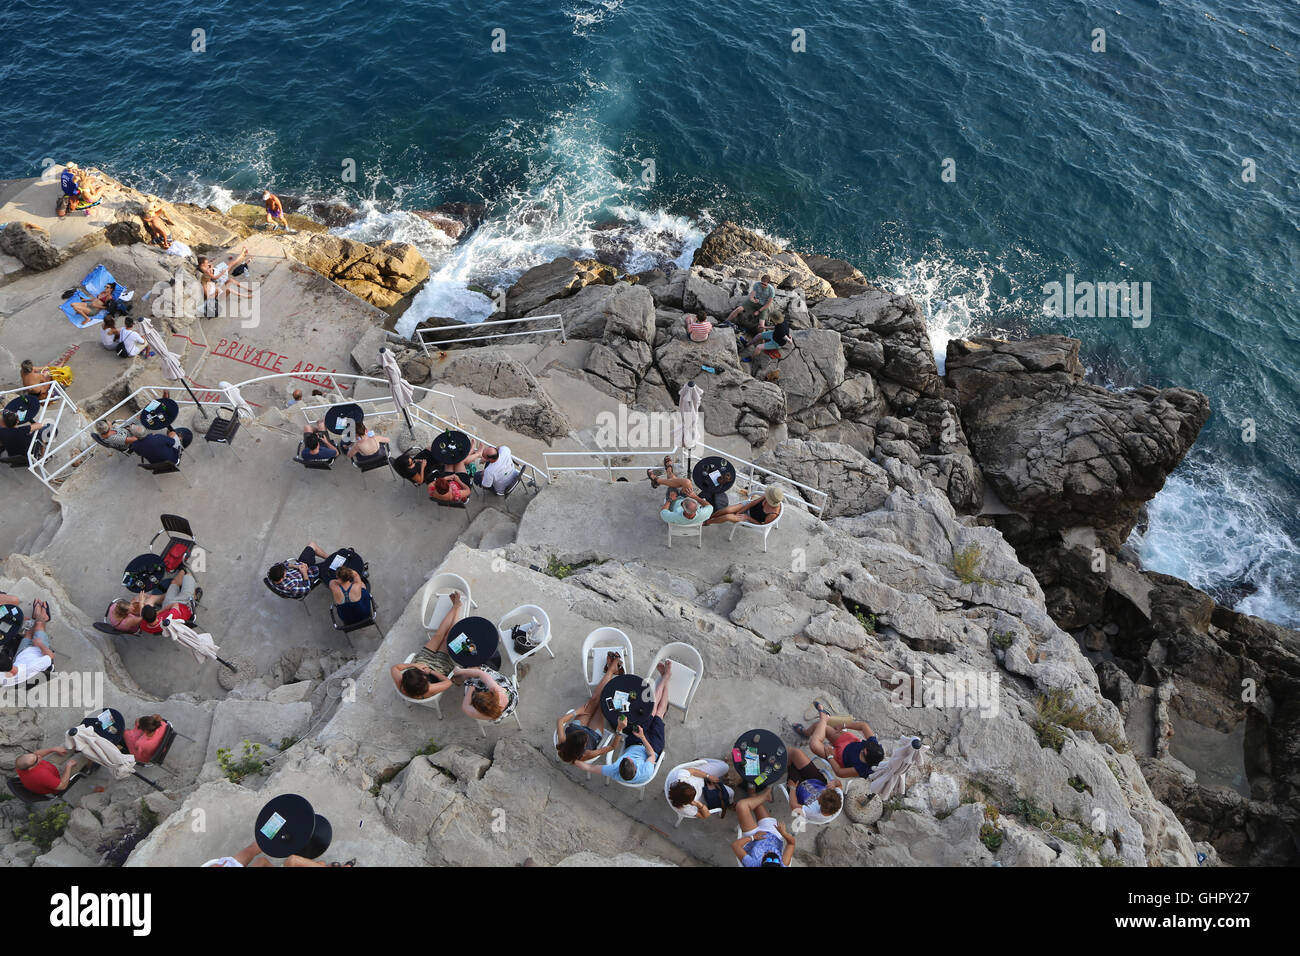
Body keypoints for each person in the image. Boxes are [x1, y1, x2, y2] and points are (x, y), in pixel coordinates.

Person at [576, 660, 673, 784]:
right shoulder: (645, 771)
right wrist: (643, 737)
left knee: (652, 711)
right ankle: (666, 678)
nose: (626, 756)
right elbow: (652, 756)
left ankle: (665, 677)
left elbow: (590, 768)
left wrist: (573, 759)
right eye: (629, 759)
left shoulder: (615, 770)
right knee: (659, 713)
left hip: (634, 742)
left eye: (624, 758)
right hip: (654, 747)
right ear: (635, 767)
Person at [554, 653, 624, 764]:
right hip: (593, 734)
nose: (584, 733)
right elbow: (612, 747)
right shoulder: (586, 754)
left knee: (594, 699)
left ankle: (611, 670)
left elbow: (560, 721)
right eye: (585, 739)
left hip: (577, 727)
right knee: (603, 704)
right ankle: (612, 670)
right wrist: (619, 729)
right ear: (582, 747)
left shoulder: (563, 741)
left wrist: (577, 712)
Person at [391, 592, 461, 702]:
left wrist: (414, 665)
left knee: (438, 635)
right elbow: (448, 682)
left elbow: (394, 668)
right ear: (424, 682)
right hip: (438, 669)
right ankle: (457, 607)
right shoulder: (429, 689)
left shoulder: (402, 683)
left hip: (422, 662)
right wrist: (430, 672)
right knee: (448, 639)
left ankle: (455, 607)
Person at [796, 703, 885, 779]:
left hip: (840, 758)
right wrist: (844, 725)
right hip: (848, 741)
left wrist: (830, 757)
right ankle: (807, 731)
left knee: (814, 745)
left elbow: (840, 772)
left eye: (863, 752)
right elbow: (863, 726)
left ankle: (823, 717)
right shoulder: (873, 744)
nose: (862, 749)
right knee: (820, 726)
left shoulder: (863, 768)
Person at [731, 789, 795, 867]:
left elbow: (735, 845)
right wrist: (784, 833)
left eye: (766, 854)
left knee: (741, 806)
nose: (769, 850)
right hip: (773, 834)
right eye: (776, 858)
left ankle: (761, 795)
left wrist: (753, 837)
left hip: (753, 839)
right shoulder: (783, 864)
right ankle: (755, 793)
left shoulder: (752, 865)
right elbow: (791, 843)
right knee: (755, 802)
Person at [0, 600, 54, 688]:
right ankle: (43, 616)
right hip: (40, 651)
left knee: (29, 632)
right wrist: (40, 644)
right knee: (39, 624)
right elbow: (50, 656)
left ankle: (37, 616)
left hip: (22, 653)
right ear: (10, 658)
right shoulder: (33, 666)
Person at [784, 747, 844, 823]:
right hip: (817, 781)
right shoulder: (838, 797)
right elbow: (839, 785)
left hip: (798, 790)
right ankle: (788, 762)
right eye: (826, 790)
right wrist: (835, 783)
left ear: (820, 804)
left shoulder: (813, 812)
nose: (820, 794)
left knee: (792, 766)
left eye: (820, 796)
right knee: (795, 753)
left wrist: (792, 788)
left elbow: (794, 807)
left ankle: (788, 765)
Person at [666, 758, 734, 820]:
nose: (693, 786)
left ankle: (701, 759)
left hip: (699, 776)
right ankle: (730, 803)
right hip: (704, 793)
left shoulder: (679, 777)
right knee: (731, 793)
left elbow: (693, 771)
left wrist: (708, 776)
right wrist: (699, 805)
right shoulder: (685, 809)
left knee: (725, 767)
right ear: (690, 802)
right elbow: (705, 815)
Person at [137, 568, 200, 635]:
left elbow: (142, 615)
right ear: (155, 612)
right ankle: (195, 597)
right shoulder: (170, 617)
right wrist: (158, 612)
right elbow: (175, 604)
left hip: (168, 606)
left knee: (174, 583)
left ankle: (182, 570)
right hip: (183, 607)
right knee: (188, 575)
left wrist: (141, 604)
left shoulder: (144, 626)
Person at [266, 543, 330, 598]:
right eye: (285, 572)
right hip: (309, 576)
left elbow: (283, 564)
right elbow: (307, 588)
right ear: (281, 579)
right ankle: (331, 560)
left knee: (312, 545)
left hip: (300, 568)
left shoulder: (271, 573)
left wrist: (297, 566)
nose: (286, 570)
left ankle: (330, 557)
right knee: (331, 565)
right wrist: (304, 572)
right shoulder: (291, 588)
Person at [14, 746, 86, 796]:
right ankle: (88, 768)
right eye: (36, 759)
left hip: (50, 766)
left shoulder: (21, 764)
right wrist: (68, 766)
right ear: (30, 768)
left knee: (70, 745)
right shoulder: (42, 775)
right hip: (58, 777)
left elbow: (36, 754)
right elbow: (62, 786)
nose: (39, 756)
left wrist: (53, 749)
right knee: (85, 755)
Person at [705, 484, 783, 527]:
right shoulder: (768, 496)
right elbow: (752, 503)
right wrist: (739, 512)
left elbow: (762, 525)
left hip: (751, 519)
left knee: (727, 517)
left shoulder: (772, 514)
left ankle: (708, 522)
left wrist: (747, 517)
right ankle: (709, 517)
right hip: (748, 506)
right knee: (727, 510)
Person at [125, 425, 192, 466]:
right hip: (174, 460)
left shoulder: (135, 446)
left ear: (135, 436)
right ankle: (179, 438)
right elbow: (172, 442)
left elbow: (140, 454)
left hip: (157, 465)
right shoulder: (158, 437)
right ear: (145, 431)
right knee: (172, 433)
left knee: (160, 446)